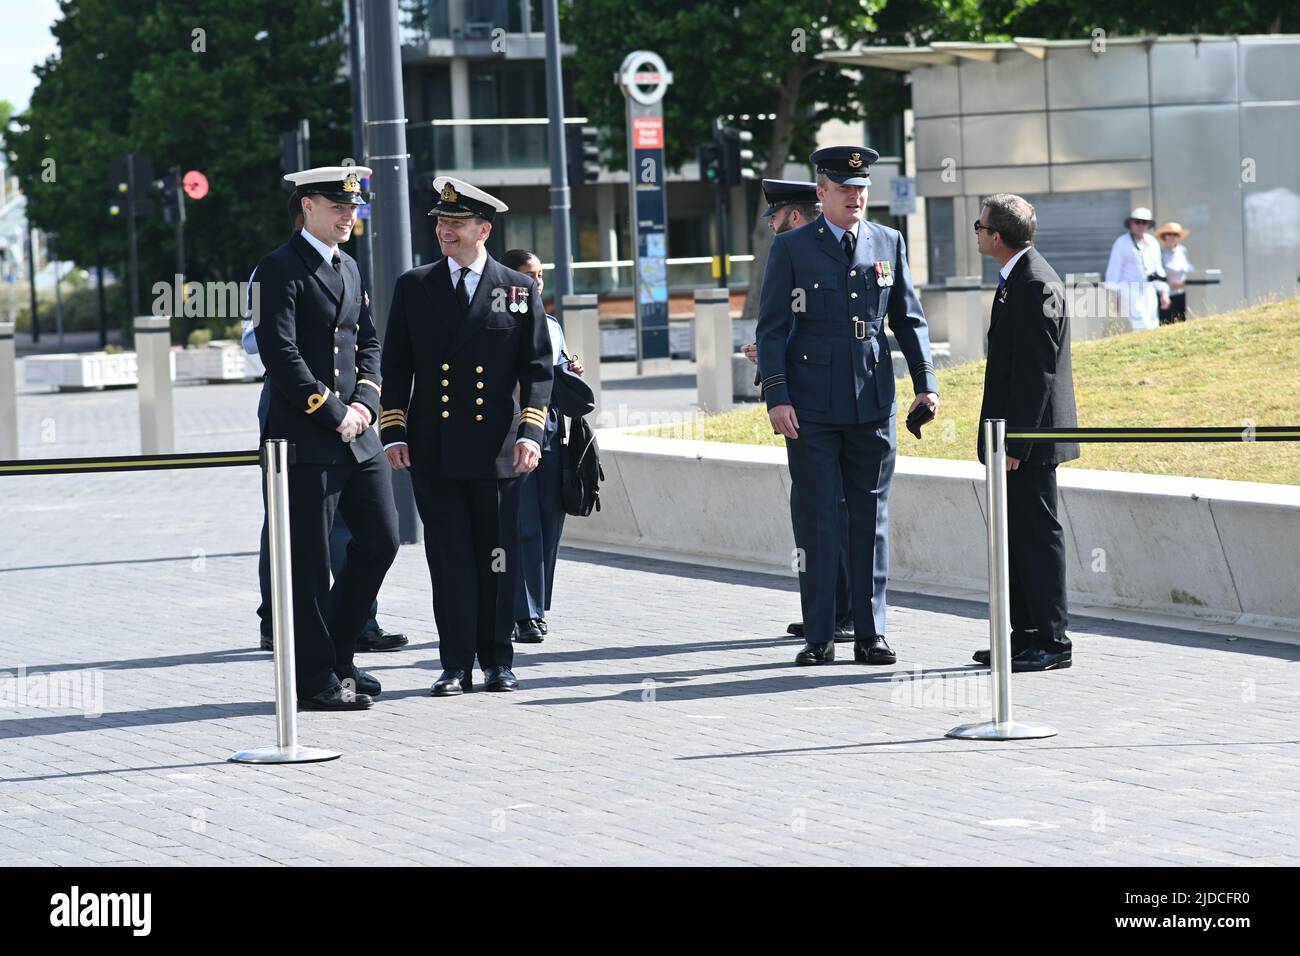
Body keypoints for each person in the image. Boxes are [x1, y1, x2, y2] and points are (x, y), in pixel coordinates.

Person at [755, 146, 939, 667]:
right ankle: (819, 635)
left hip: (872, 400)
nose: (855, 197)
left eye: (861, 189)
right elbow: (771, 329)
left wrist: (926, 383)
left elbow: (909, 319)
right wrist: (777, 395)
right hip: (810, 408)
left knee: (870, 518)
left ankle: (870, 632)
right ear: (821, 194)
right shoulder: (793, 248)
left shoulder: (889, 241)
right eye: (844, 189)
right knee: (818, 521)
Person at [380, 177, 553, 696]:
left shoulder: (517, 290)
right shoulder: (416, 285)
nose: (444, 231)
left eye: (455, 223)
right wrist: (394, 431)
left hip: (499, 450)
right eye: (439, 221)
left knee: (498, 559)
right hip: (435, 449)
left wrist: (532, 432)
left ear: (484, 228)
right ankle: (455, 662)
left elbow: (538, 369)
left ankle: (498, 659)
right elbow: (396, 366)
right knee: (451, 559)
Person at [251, 164, 399, 710]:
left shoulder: (350, 267)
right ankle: (314, 678)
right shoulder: (277, 270)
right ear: (307, 206)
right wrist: (332, 409)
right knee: (310, 563)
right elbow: (279, 352)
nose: (348, 215)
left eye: (353, 207)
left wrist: (366, 401)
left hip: (357, 432)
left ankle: (337, 652)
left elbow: (369, 342)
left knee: (381, 540)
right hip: (305, 434)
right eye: (338, 206)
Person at [742, 179, 852, 643]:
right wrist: (769, 361)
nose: (770, 223)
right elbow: (790, 327)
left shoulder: (812, 251)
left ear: (795, 214)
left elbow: (829, 330)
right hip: (803, 405)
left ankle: (841, 614)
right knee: (814, 511)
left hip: (829, 406)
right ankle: (825, 611)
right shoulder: (793, 252)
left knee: (837, 511)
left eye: (775, 214)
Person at [973, 194, 1079, 672]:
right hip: (1012, 439)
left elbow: (1038, 374)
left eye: (979, 226)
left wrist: (1016, 442)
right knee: (1014, 537)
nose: (976, 232)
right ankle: (1024, 635)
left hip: (1028, 443)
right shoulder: (1016, 277)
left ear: (996, 236)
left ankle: (1053, 641)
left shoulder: (1035, 282)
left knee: (1037, 535)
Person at [499, 249, 585, 643]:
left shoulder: (550, 323)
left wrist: (571, 370)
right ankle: (525, 614)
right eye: (529, 275)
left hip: (550, 428)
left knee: (551, 518)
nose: (537, 283)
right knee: (524, 522)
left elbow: (558, 369)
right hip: (513, 427)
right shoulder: (497, 320)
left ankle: (536, 604)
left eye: (541, 275)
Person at [1105, 207, 1169, 332]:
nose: (1140, 225)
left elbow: (1158, 269)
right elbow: (1113, 271)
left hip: (1149, 290)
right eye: (1137, 222)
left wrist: (1163, 291)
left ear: (1149, 225)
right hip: (1130, 291)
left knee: (1153, 323)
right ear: (1131, 223)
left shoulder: (1152, 242)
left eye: (1144, 222)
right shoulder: (1121, 243)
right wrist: (1114, 296)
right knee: (1140, 325)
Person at [1155, 222, 1194, 323]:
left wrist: (1185, 282)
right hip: (1168, 296)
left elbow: (1189, 269)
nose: (1172, 237)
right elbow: (1158, 275)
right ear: (1164, 237)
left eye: (1175, 234)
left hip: (1184, 295)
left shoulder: (1183, 251)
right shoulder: (1160, 254)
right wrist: (1169, 285)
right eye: (1169, 234)